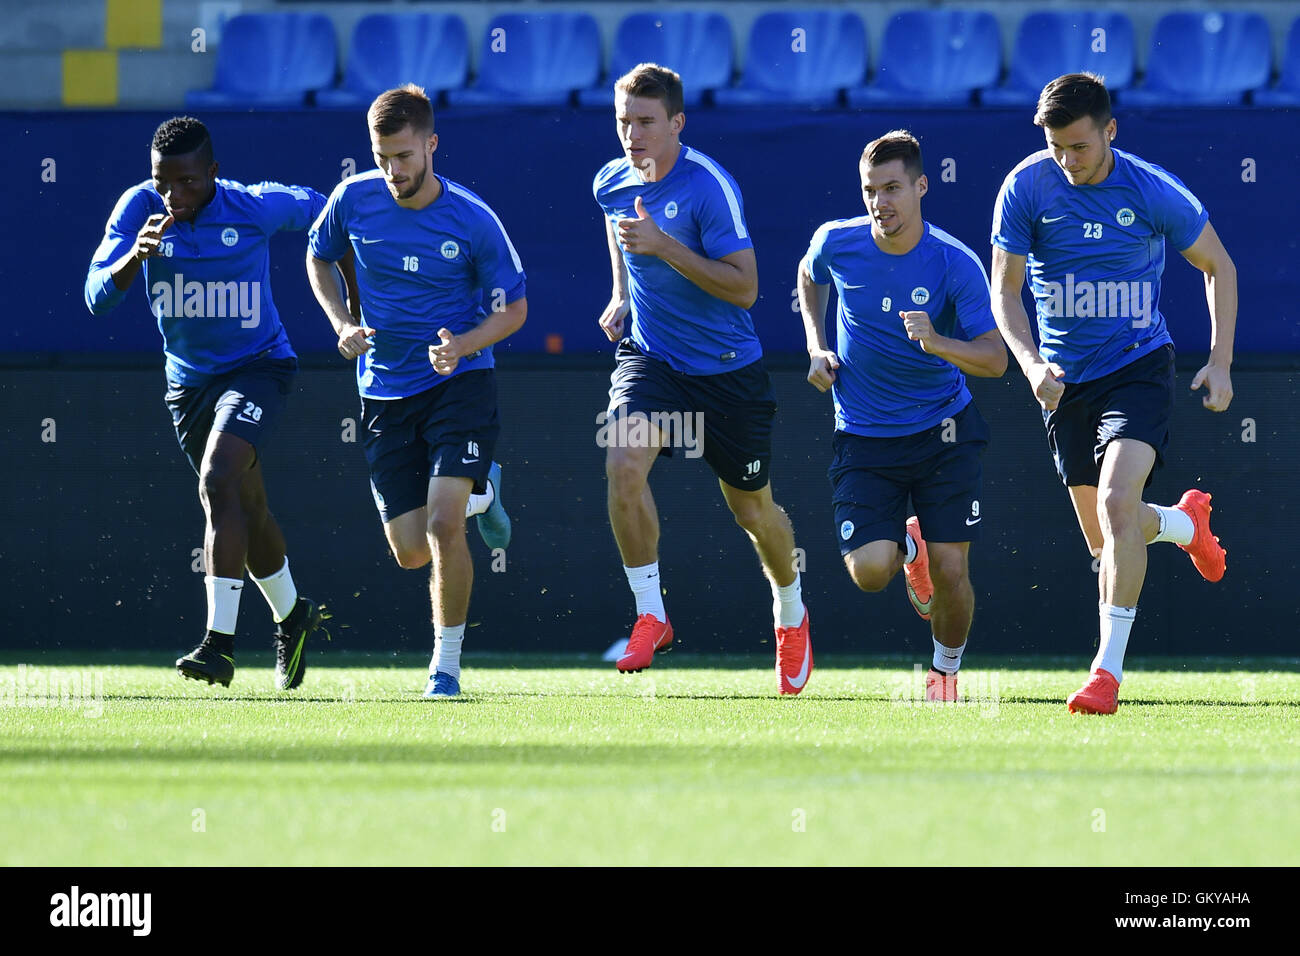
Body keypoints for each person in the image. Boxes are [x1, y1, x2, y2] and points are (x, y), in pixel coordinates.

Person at [991, 73, 1236, 714]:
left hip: (1138, 366)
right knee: (1108, 542)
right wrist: (1030, 362)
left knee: (1117, 502)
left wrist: (1220, 362)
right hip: (1065, 383)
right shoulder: (1026, 186)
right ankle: (1185, 524)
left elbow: (1220, 266)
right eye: (1056, 148)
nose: (1067, 161)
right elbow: (1005, 289)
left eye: (1080, 146)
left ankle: (1106, 674)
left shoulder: (1153, 191)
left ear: (1110, 132)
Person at [84, 116, 332, 690]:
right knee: (247, 507)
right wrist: (132, 261)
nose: (174, 196)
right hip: (189, 387)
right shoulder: (136, 210)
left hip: (259, 368)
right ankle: (295, 617)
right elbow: (96, 298)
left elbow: (327, 212)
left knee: (218, 480)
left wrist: (349, 280)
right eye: (162, 182)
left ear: (214, 174)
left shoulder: (253, 206)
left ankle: (218, 646)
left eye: (188, 182)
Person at [593, 63, 812, 695]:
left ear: (677, 123)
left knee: (752, 510)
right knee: (623, 462)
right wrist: (621, 295)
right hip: (651, 362)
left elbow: (746, 288)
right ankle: (651, 613)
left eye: (646, 122)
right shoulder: (611, 179)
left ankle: (791, 612)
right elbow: (620, 231)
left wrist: (664, 246)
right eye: (623, 121)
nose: (632, 134)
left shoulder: (708, 186)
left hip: (726, 375)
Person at [306, 84, 523, 699]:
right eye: (381, 157)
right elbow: (317, 258)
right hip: (384, 391)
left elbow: (516, 309)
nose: (392, 171)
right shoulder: (352, 200)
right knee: (409, 551)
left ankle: (445, 670)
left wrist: (465, 344)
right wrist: (343, 321)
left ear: (431, 144)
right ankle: (486, 492)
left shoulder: (473, 218)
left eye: (403, 156)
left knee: (443, 525)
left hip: (460, 383)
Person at [799, 130, 1007, 701]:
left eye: (892, 188)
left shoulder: (954, 262)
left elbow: (995, 359)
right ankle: (906, 549)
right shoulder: (836, 242)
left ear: (921, 186)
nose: (880, 202)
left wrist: (939, 342)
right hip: (864, 436)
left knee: (954, 575)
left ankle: (944, 674)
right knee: (869, 572)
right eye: (870, 190)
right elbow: (807, 277)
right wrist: (817, 346)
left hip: (944, 432)